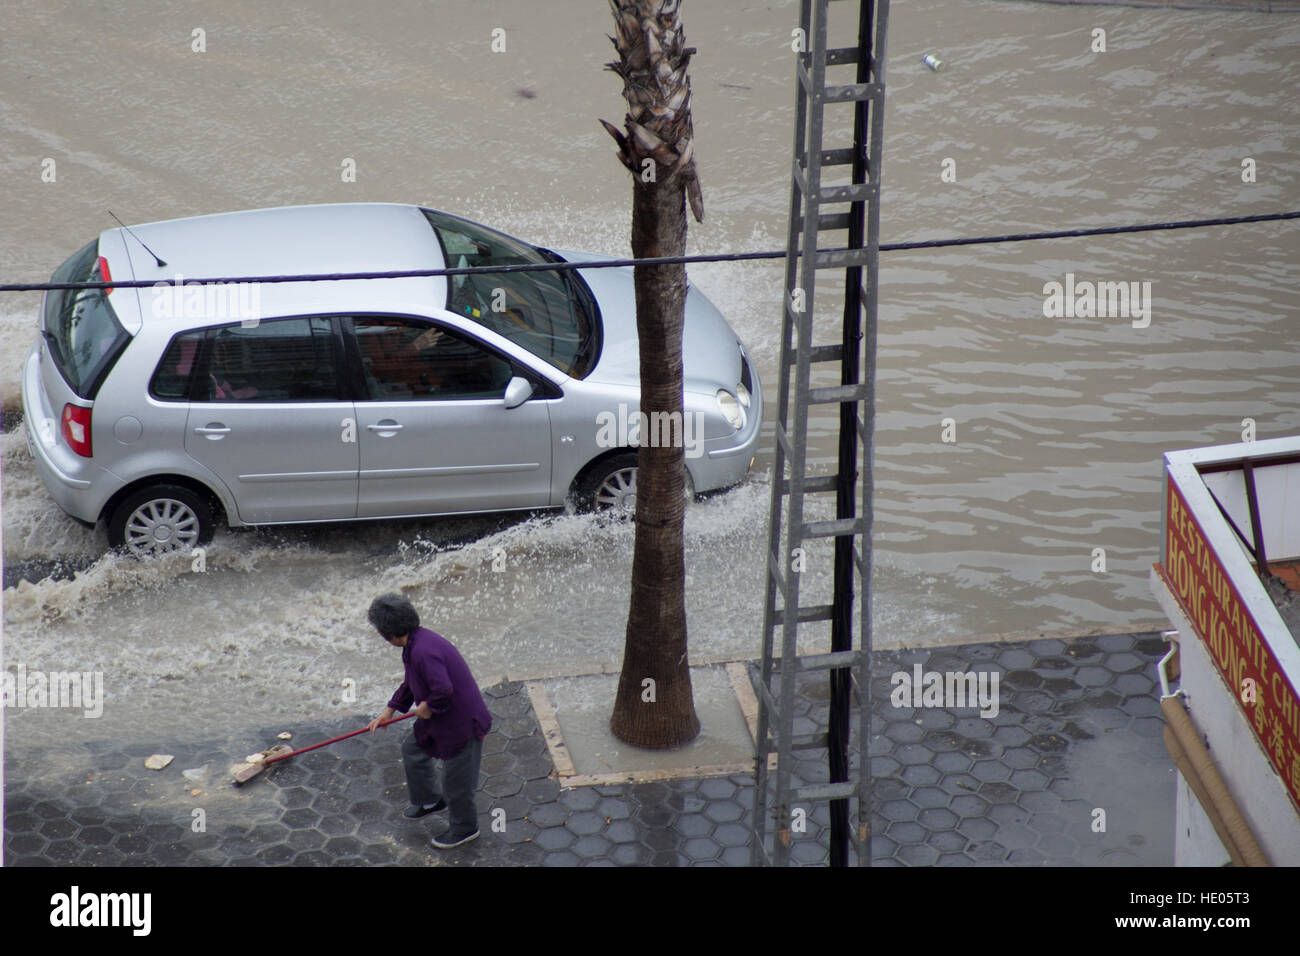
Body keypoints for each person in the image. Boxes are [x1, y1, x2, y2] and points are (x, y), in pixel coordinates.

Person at [366, 593, 492, 849]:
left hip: (462, 724)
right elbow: (411, 680)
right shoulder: (413, 643)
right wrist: (391, 709)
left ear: (388, 634)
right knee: (412, 749)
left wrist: (428, 706)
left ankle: (465, 828)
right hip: (439, 719)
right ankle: (430, 800)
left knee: (456, 783)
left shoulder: (423, 651)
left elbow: (443, 690)